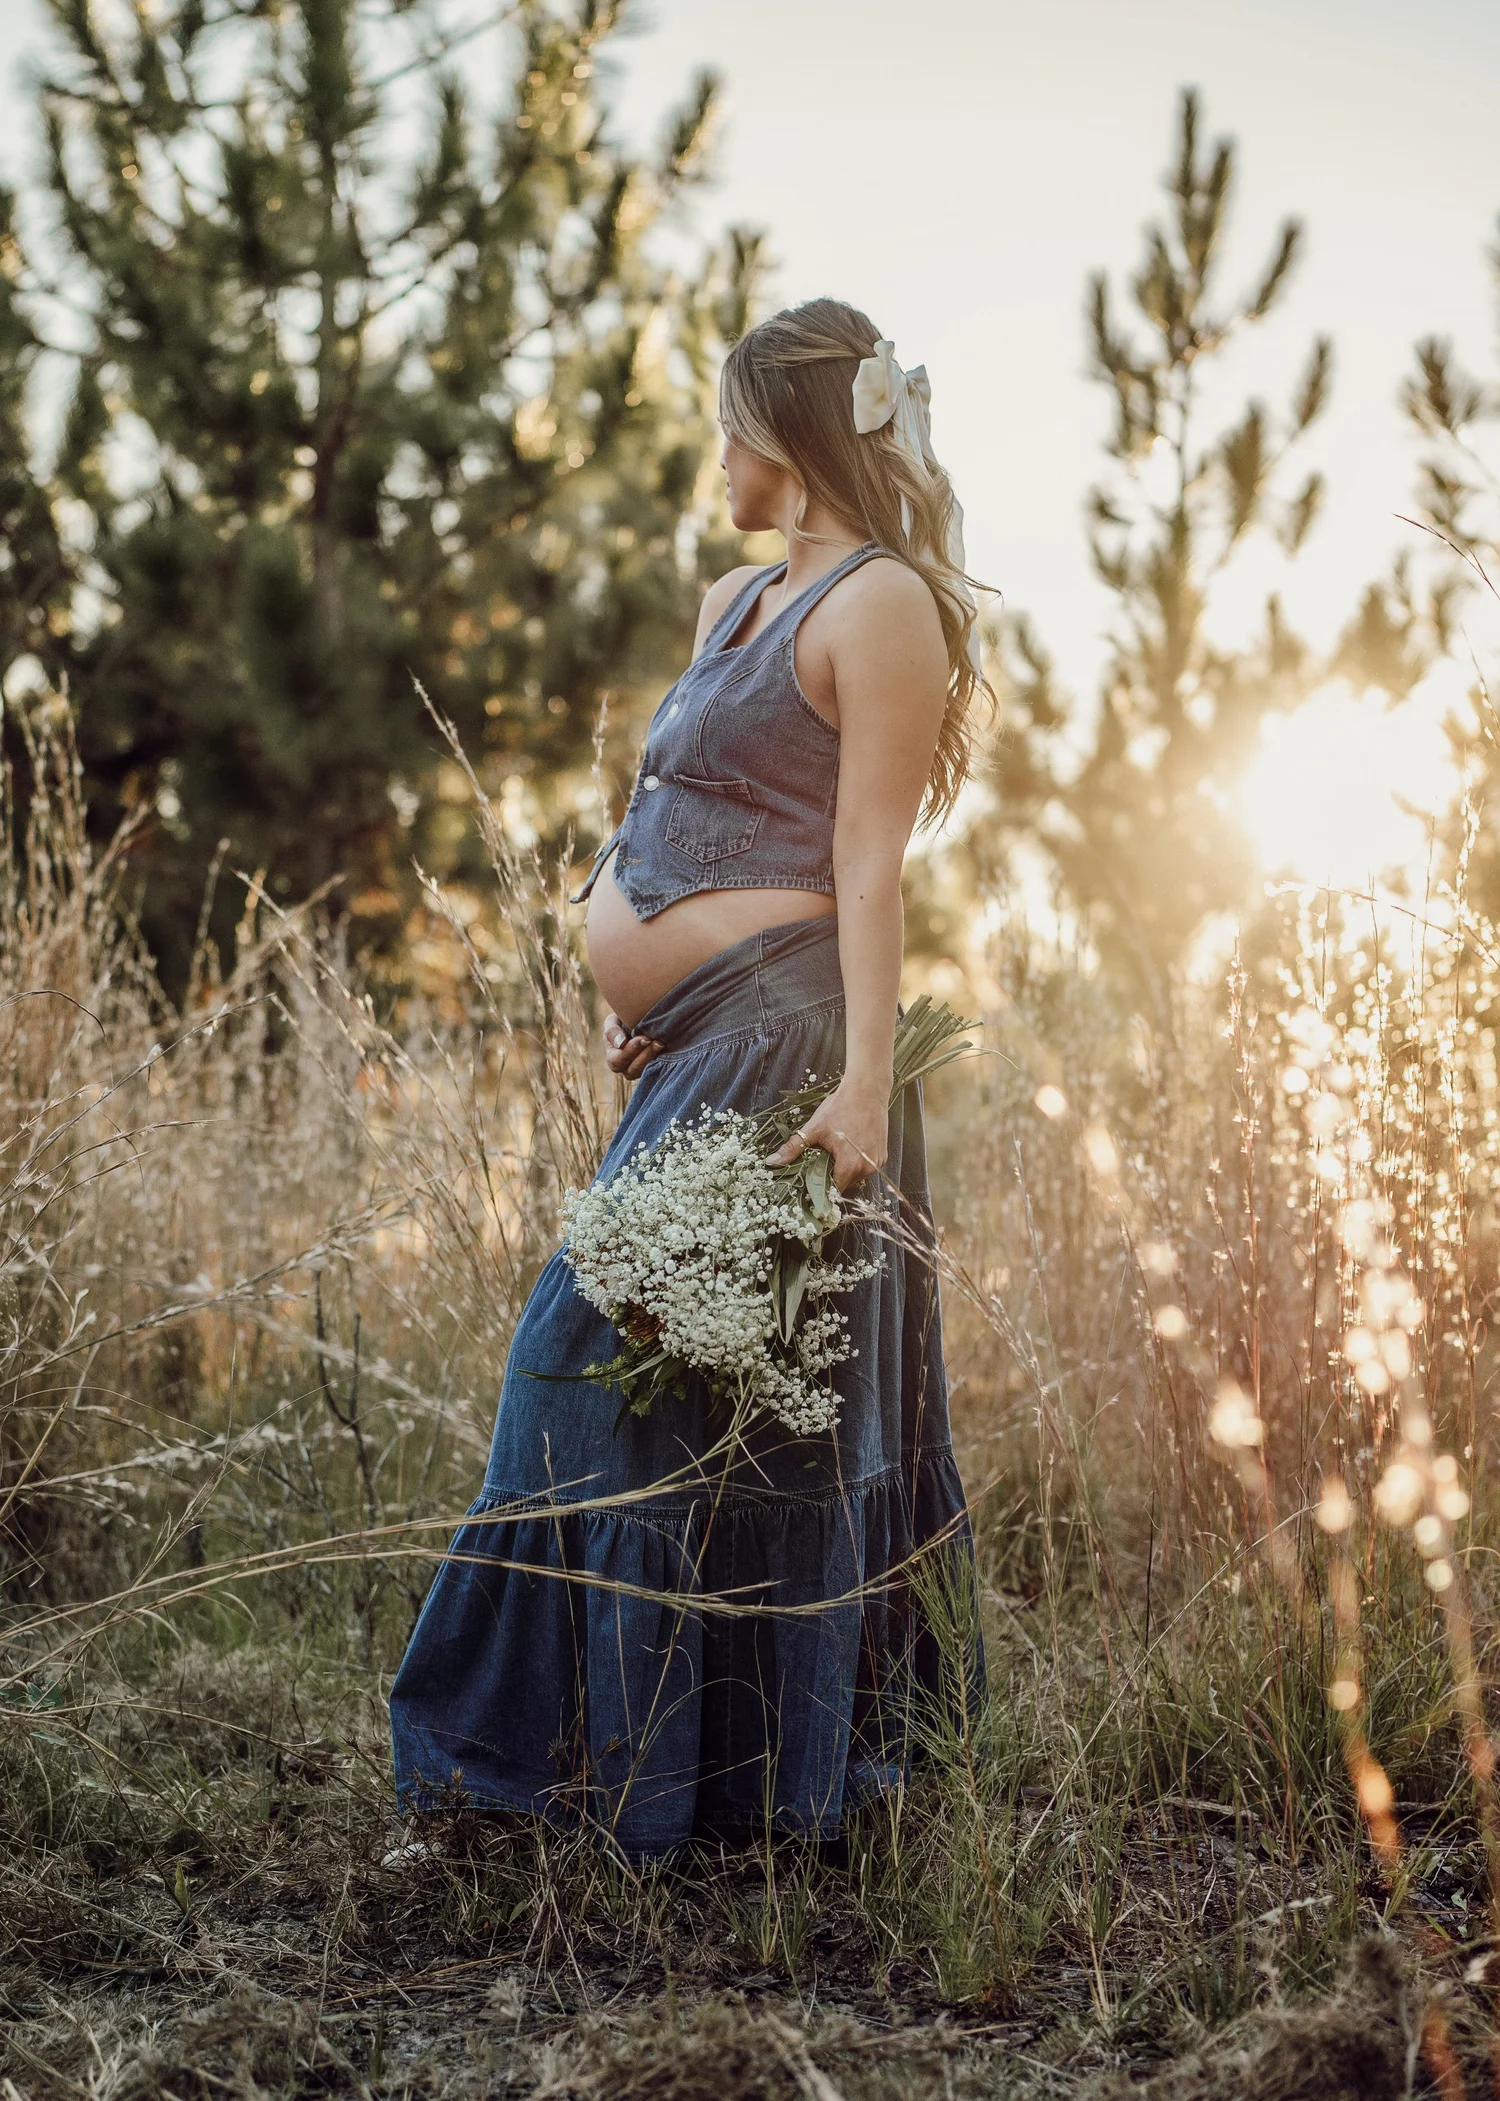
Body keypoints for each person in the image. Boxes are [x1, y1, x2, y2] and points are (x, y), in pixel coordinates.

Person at [390, 298, 986, 1859]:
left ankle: (646, 1792)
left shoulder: (880, 608)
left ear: (788, 437)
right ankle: (591, 1780)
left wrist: (861, 1084)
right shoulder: (739, 594)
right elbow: (690, 806)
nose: (715, 455)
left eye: (730, 423)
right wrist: (655, 982)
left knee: (596, 1371)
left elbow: (867, 866)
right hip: (702, 1038)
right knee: (645, 1392)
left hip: (793, 1050)